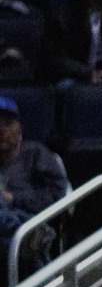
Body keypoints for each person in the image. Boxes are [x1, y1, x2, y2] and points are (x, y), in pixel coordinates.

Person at [0, 96, 70, 261]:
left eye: (7, 124)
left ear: (19, 129)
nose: (1, 130)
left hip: (27, 226)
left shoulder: (36, 154)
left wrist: (14, 198)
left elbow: (57, 198)